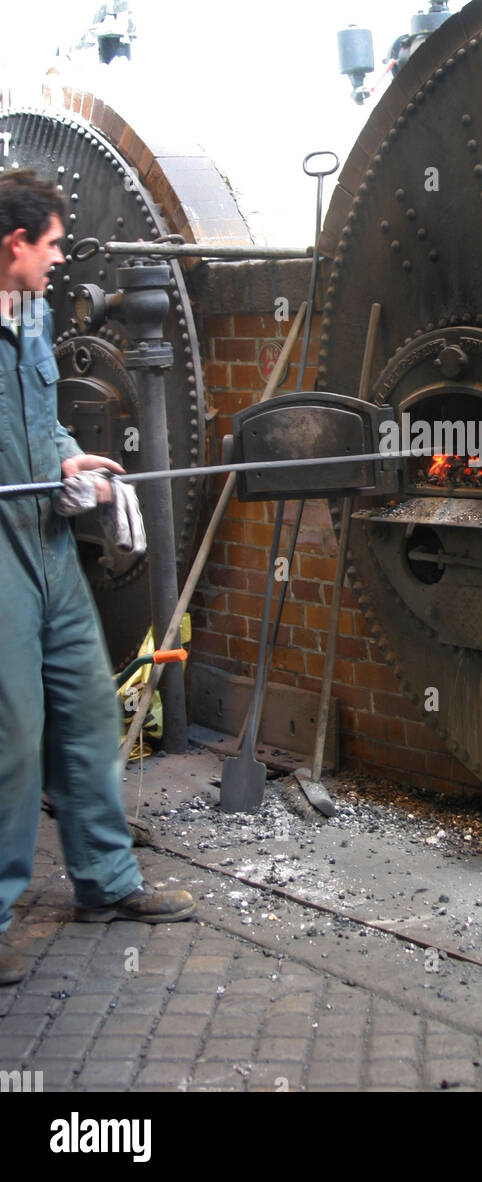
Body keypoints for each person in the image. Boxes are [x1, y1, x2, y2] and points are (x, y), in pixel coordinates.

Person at [0, 168, 195, 987]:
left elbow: (37, 420)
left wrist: (67, 462)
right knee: (10, 739)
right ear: (14, 244)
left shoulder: (32, 310)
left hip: (46, 536)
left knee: (82, 708)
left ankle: (106, 884)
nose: (55, 261)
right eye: (47, 246)